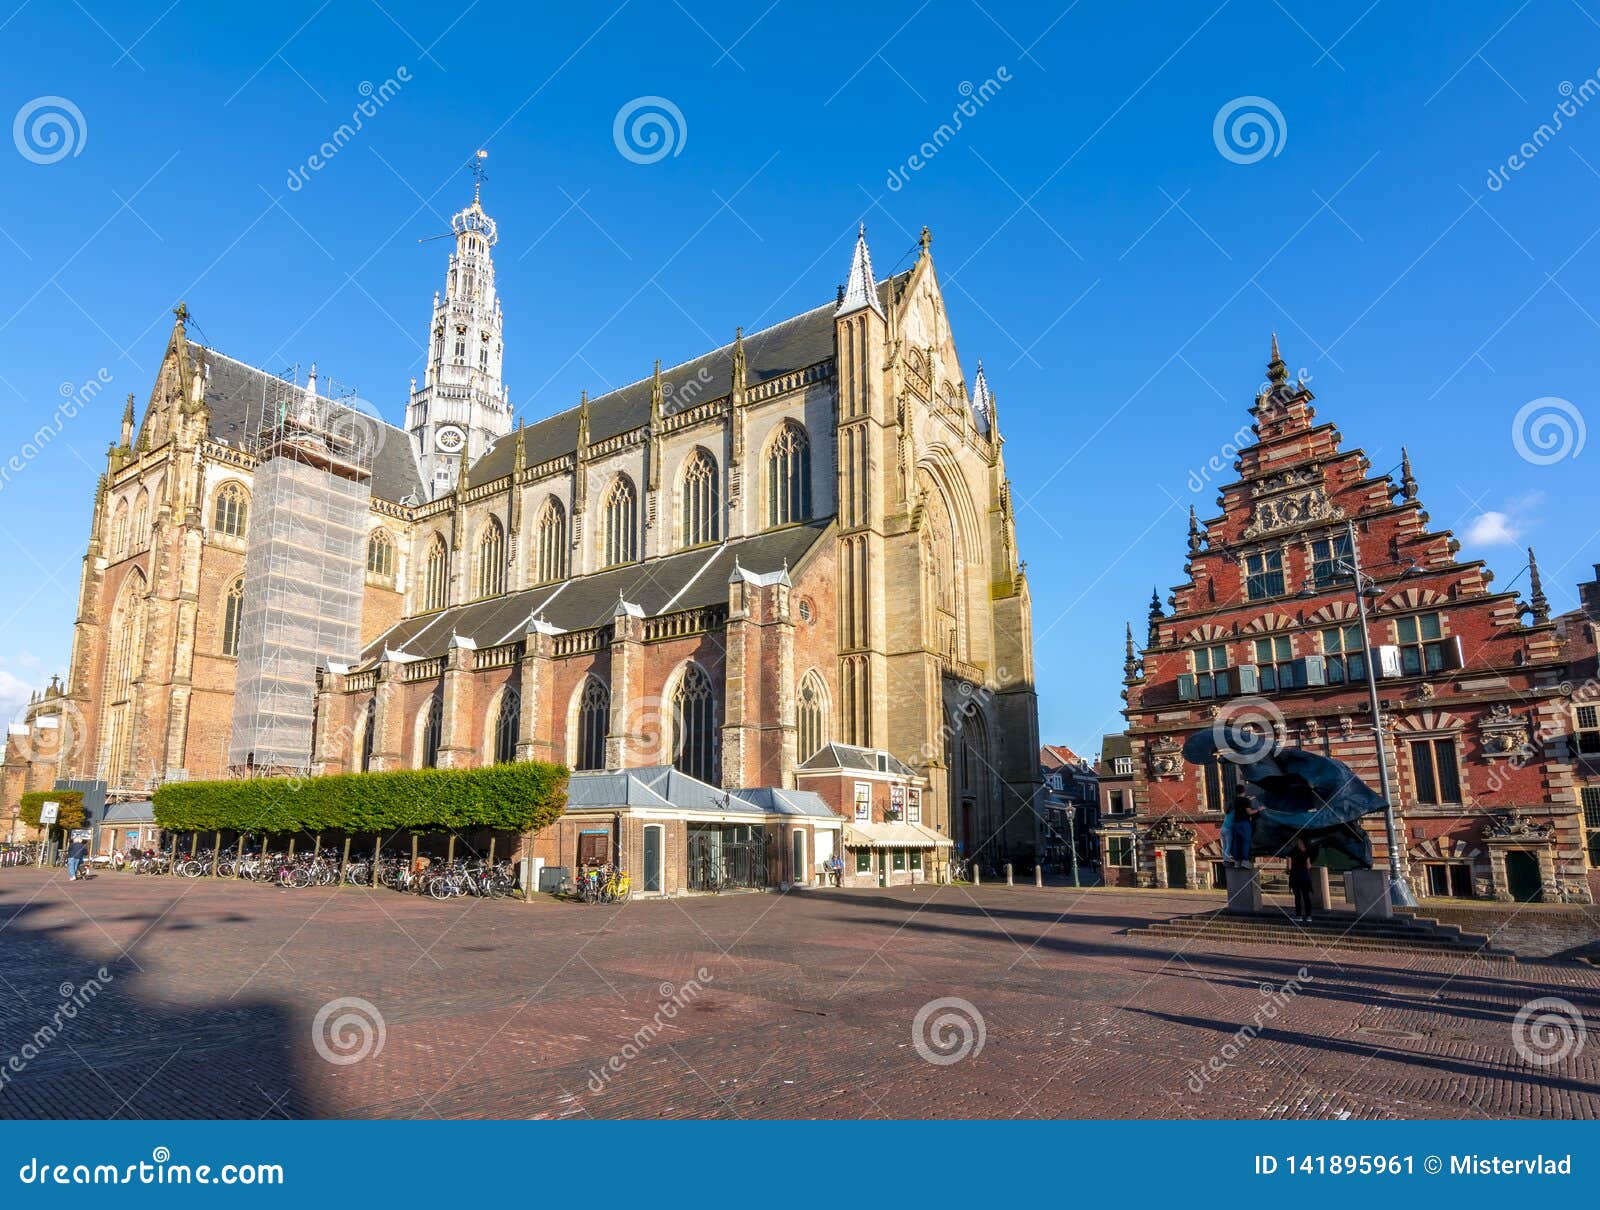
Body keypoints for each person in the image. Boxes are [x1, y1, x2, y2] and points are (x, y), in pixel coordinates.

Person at [1228, 792, 1260, 868]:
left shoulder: (1234, 800)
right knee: (1246, 842)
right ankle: (1245, 861)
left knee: (1236, 842)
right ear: (1244, 792)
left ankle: (1237, 862)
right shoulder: (1245, 801)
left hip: (1235, 823)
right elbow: (1249, 812)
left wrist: (1248, 799)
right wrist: (1258, 809)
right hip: (1244, 823)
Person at [1288, 837, 1315, 922]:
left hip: (1295, 876)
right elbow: (1308, 866)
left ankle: (1299, 916)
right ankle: (1308, 916)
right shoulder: (1306, 852)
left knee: (1298, 897)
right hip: (1304, 876)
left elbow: (1289, 867)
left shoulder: (1292, 852)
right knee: (1306, 897)